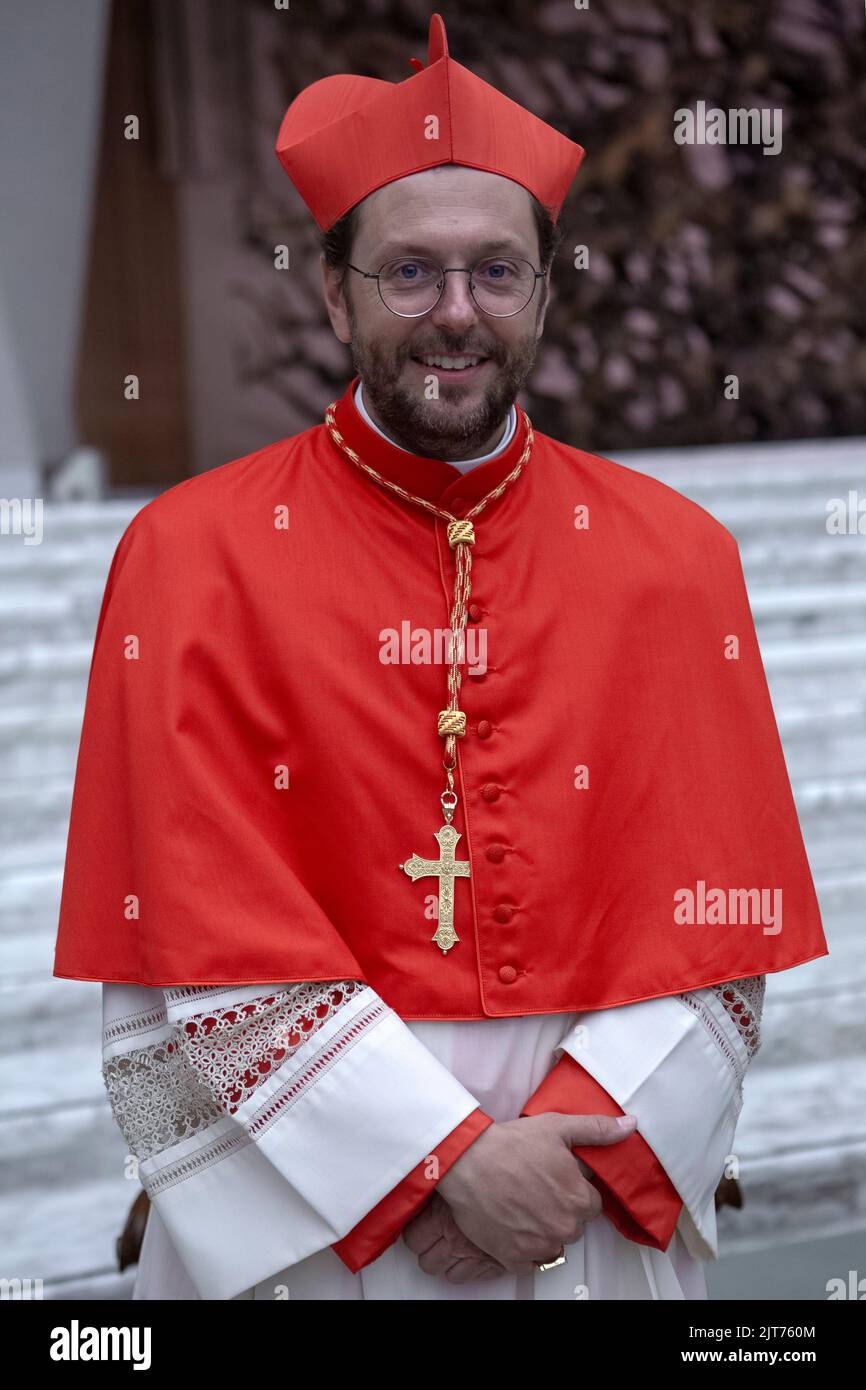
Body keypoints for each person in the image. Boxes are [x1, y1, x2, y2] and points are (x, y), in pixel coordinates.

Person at [54, 14, 827, 1301]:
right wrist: (428, 1160)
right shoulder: (189, 558)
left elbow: (719, 919)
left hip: (590, 1178)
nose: (454, 313)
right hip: (309, 1200)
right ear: (332, 287)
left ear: (542, 285)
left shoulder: (675, 558)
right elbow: (196, 933)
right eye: (408, 273)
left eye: (494, 272)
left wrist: (566, 1163)